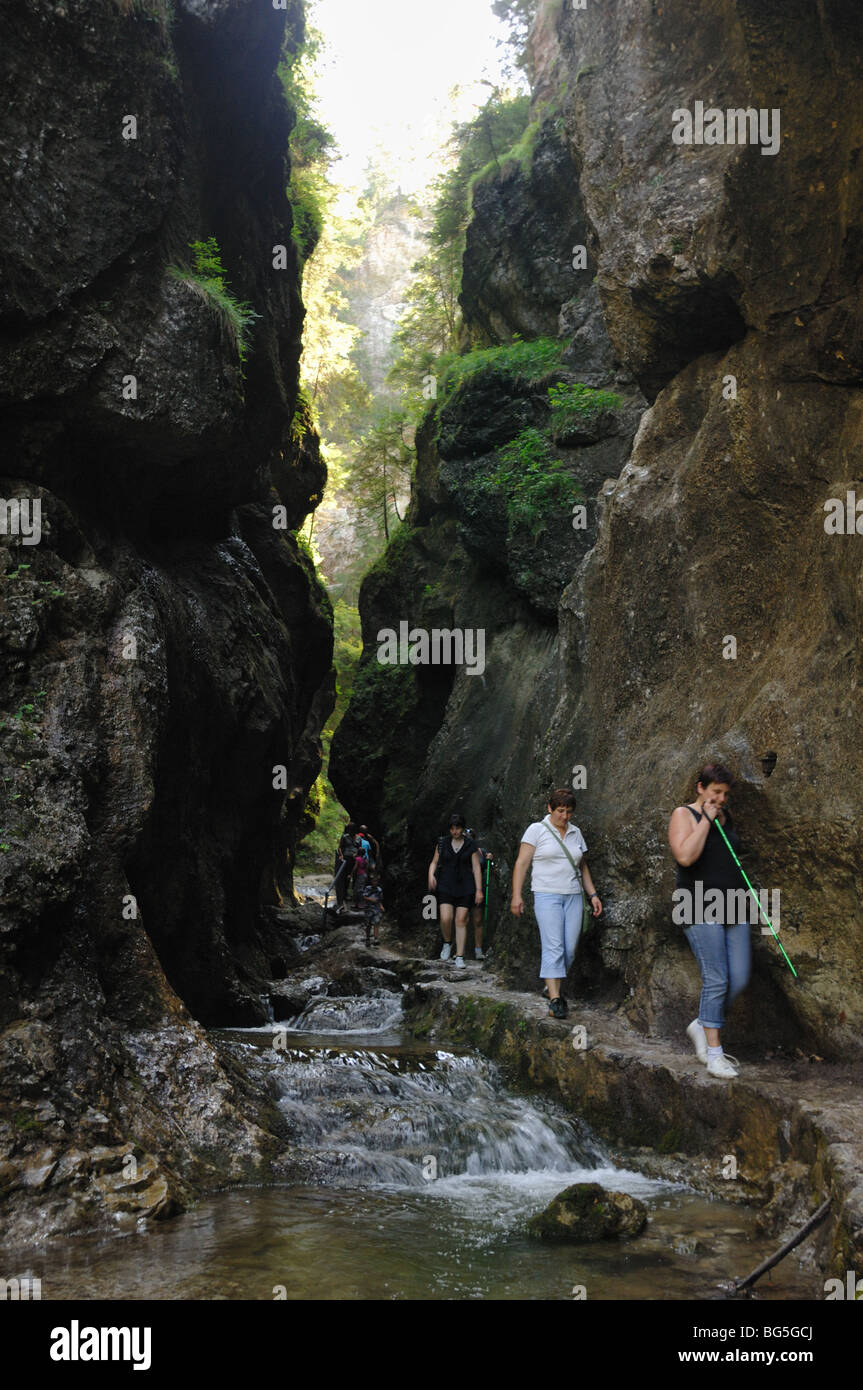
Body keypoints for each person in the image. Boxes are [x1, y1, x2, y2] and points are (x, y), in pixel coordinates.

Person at [668, 762, 751, 1080]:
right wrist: (706, 819)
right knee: (716, 979)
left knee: (739, 978)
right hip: (696, 905)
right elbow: (685, 856)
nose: (720, 799)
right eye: (715, 792)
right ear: (700, 788)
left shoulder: (726, 817)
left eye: (725, 794)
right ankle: (714, 1055)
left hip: (734, 905)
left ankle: (703, 1022)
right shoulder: (683, 814)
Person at [511, 790, 602, 1019]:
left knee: (569, 949)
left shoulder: (576, 832)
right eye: (560, 811)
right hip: (546, 894)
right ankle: (555, 1000)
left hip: (573, 895)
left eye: (569, 812)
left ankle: (550, 985)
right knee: (554, 947)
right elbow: (522, 863)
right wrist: (516, 895)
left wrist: (592, 894)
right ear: (550, 808)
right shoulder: (536, 830)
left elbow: (582, 867)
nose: (564, 816)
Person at [428, 815, 483, 970]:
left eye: (457, 828)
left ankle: (459, 956)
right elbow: (434, 862)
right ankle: (447, 942)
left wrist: (479, 890)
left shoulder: (470, 844)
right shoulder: (442, 843)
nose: (455, 831)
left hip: (466, 886)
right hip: (445, 884)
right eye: (452, 828)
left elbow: (476, 868)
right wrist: (431, 875)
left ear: (462, 828)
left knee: (461, 920)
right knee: (446, 918)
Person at [466, 829, 492, 961]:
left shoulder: (481, 852)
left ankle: (478, 949)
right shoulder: (460, 852)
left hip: (477, 889)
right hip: (462, 889)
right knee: (462, 919)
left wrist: (489, 859)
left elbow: (487, 868)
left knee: (477, 919)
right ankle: (461, 950)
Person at [335, 822, 359, 911]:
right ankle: (344, 895)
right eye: (350, 829)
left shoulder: (359, 838)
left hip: (356, 859)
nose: (351, 831)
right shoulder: (345, 837)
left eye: (352, 830)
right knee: (346, 877)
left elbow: (359, 848)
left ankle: (355, 897)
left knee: (356, 877)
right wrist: (341, 855)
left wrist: (357, 854)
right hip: (347, 859)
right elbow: (340, 847)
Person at [362, 873, 384, 947]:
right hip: (368, 908)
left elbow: (380, 899)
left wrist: (381, 906)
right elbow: (364, 896)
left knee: (376, 922)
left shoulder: (379, 889)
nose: (375, 882)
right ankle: (367, 938)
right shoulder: (368, 888)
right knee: (368, 924)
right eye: (374, 881)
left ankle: (376, 938)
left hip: (376, 908)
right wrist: (371, 899)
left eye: (376, 881)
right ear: (371, 881)